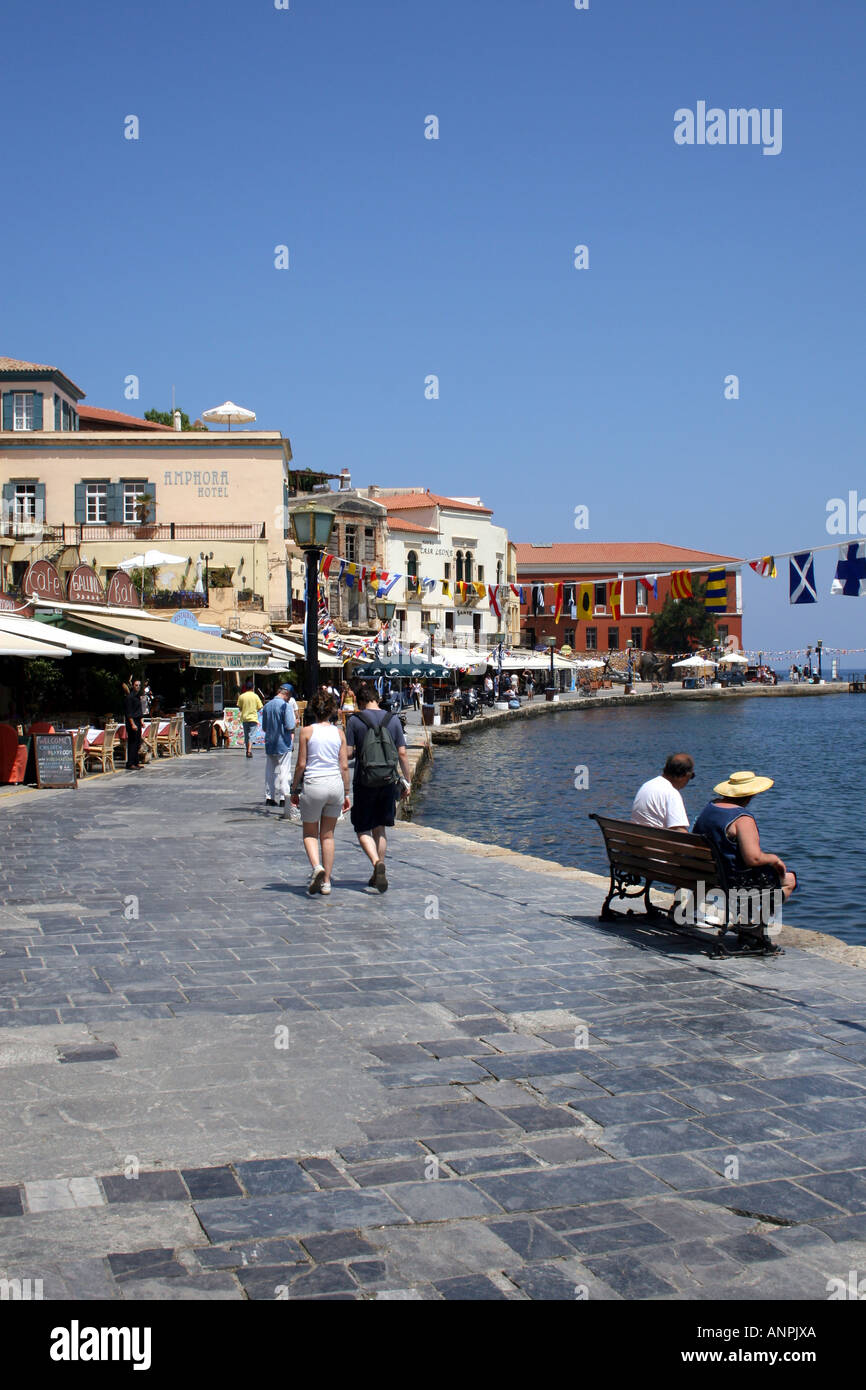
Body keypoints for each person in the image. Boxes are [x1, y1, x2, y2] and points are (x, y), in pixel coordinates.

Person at [345, 683, 412, 892]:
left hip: (364, 781)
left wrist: (359, 751)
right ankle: (378, 871)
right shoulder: (393, 720)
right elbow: (402, 753)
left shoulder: (355, 721)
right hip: (388, 781)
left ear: (360, 701)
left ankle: (376, 863)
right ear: (377, 699)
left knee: (362, 827)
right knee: (380, 827)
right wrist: (407, 780)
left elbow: (347, 754)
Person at [693, 770, 797, 902]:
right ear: (751, 794)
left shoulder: (710, 807)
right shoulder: (743, 819)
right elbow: (753, 859)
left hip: (699, 873)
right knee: (790, 880)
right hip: (730, 881)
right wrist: (775, 859)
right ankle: (758, 921)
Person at [290, 692, 351, 895]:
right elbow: (344, 766)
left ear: (312, 711)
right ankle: (326, 883)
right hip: (335, 785)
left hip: (314, 784)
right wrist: (347, 792)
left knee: (309, 833)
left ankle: (317, 867)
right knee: (328, 835)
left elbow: (301, 764)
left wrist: (294, 788)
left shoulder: (306, 732)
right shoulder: (339, 733)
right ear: (333, 710)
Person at [631, 753, 694, 831]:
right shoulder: (671, 793)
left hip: (637, 840)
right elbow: (679, 831)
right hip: (654, 842)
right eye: (692, 776)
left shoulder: (646, 786)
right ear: (685, 776)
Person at [261, 683, 296, 807]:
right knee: (284, 771)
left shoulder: (267, 706)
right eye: (290, 696)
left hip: (270, 742)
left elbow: (264, 727)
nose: (289, 699)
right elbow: (290, 726)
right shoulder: (285, 706)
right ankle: (283, 797)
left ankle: (269, 797)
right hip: (283, 743)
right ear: (287, 694)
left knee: (270, 771)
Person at [237, 680, 263, 759]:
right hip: (253, 718)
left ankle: (247, 750)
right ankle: (249, 751)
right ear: (252, 688)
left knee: (246, 735)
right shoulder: (255, 696)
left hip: (245, 718)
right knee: (252, 735)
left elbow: (239, 707)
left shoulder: (242, 696)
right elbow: (260, 707)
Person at [124, 679, 144, 770]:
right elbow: (129, 712)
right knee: (132, 743)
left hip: (138, 721)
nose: (138, 687)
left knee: (137, 743)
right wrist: (132, 724)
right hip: (132, 722)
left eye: (139, 685)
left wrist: (141, 720)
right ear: (132, 686)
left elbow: (139, 711)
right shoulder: (129, 697)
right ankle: (130, 763)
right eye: (136, 685)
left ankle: (136, 762)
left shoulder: (138, 697)